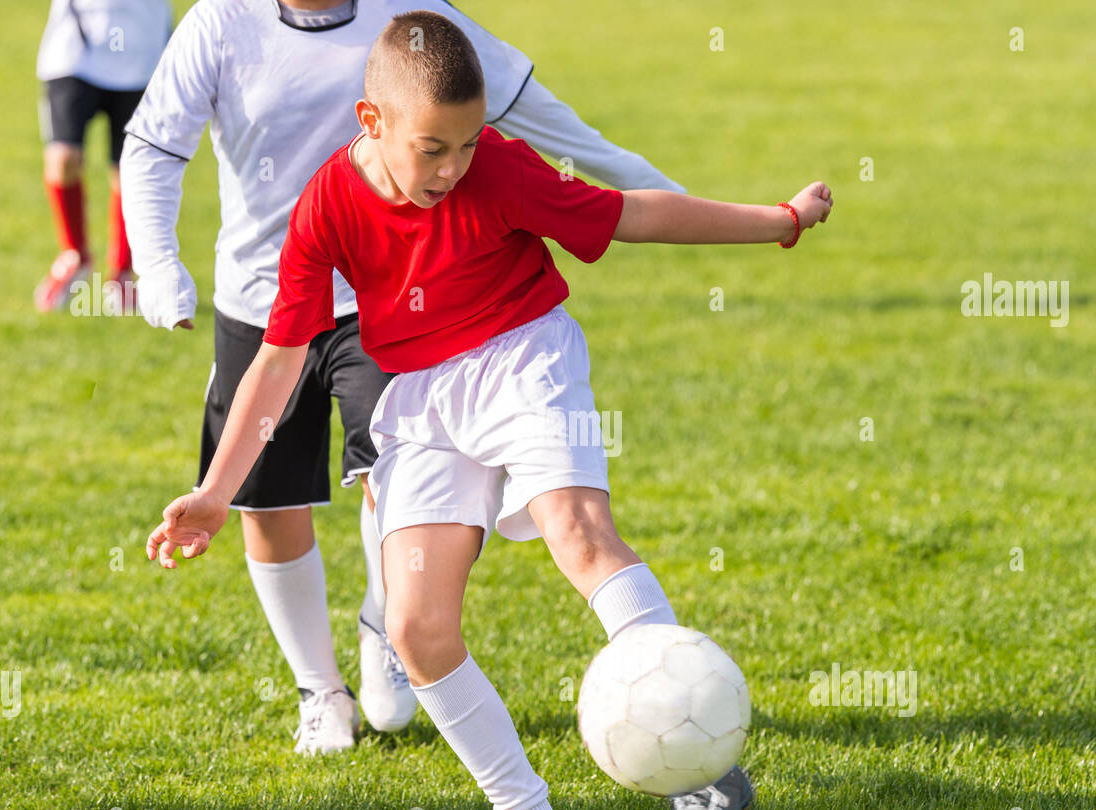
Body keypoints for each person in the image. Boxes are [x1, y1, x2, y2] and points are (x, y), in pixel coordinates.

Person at [146, 10, 833, 810]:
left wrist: (778, 219)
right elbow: (279, 360)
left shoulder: (499, 170)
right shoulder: (325, 203)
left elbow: (629, 216)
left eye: (468, 143)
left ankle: (706, 772)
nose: (453, 167)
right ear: (374, 123)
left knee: (577, 533)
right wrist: (215, 494)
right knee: (415, 626)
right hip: (423, 397)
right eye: (433, 148)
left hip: (523, 357)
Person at [121, 0, 686, 753]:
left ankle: (388, 622)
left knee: (391, 473)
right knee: (269, 497)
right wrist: (157, 263)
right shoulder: (218, 23)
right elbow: (155, 145)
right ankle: (319, 689)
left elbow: (532, 114)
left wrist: (664, 198)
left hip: (386, 297)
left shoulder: (411, 17)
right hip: (261, 299)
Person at [34, 0, 173, 314]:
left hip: (143, 51)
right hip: (76, 48)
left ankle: (122, 272)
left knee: (129, 169)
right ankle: (75, 255)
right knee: (63, 158)